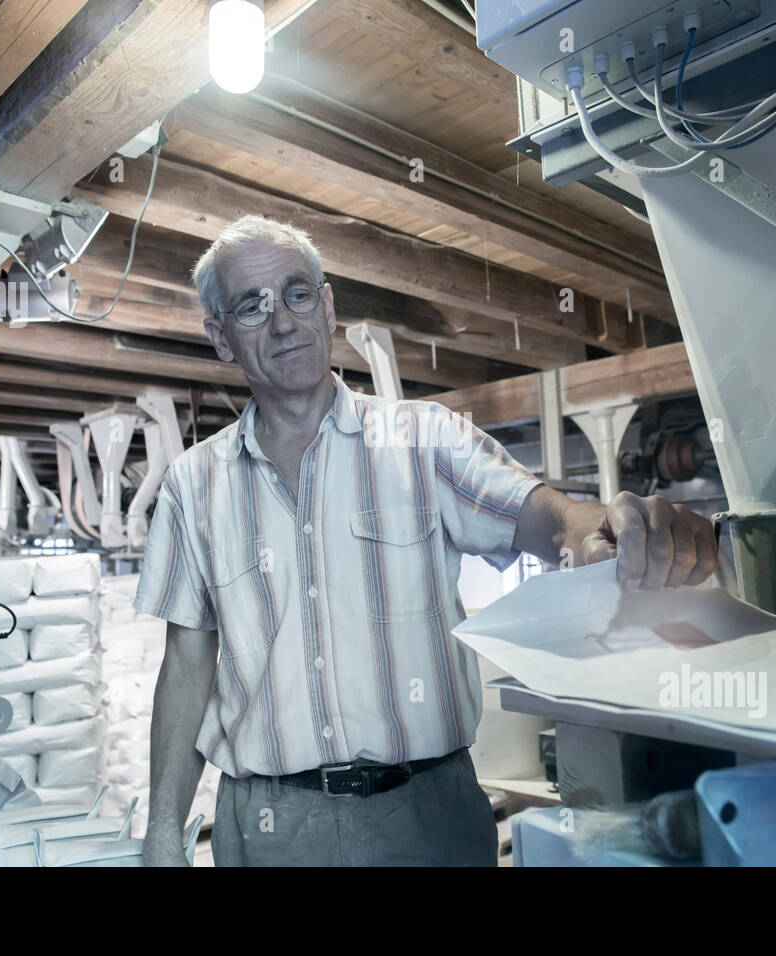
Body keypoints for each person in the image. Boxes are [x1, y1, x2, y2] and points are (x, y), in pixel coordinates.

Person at [135, 216, 718, 866]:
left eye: (298, 294)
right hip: (266, 825)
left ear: (326, 306)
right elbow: (187, 665)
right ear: (220, 335)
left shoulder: (426, 441)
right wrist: (163, 830)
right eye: (252, 305)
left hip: (425, 818)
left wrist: (604, 534)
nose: (282, 322)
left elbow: (545, 519)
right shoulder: (194, 486)